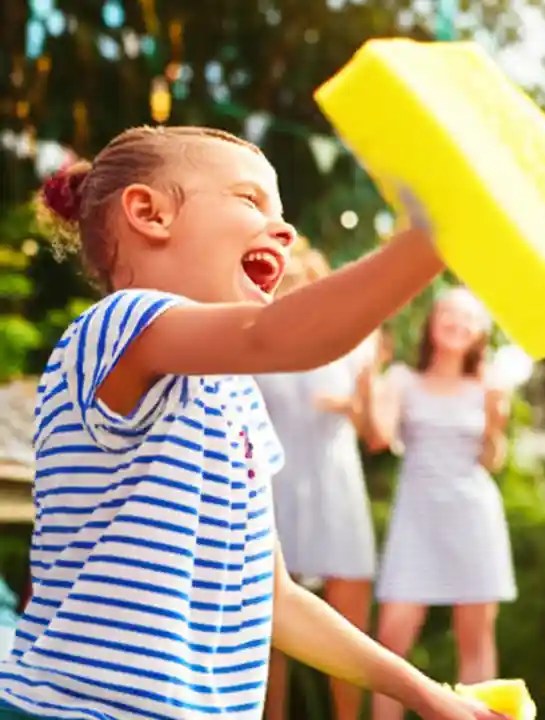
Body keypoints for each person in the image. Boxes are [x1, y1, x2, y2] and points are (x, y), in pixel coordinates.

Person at [1, 126, 503, 720]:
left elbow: (275, 597)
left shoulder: (235, 396)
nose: (285, 231)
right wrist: (434, 238)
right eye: (249, 199)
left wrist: (424, 693)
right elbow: (274, 336)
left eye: (281, 211)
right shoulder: (116, 326)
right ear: (149, 213)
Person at [365, 288, 517, 720]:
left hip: (473, 517)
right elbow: (379, 438)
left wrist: (495, 423)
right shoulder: (401, 380)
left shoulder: (488, 385)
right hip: (417, 518)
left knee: (476, 643)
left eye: (467, 318)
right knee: (391, 643)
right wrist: (365, 382)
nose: (456, 323)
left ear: (480, 333)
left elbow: (491, 460)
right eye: (448, 314)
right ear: (431, 323)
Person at [255, 239, 382, 720]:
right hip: (273, 490)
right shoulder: (254, 339)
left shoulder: (354, 342)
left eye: (300, 282)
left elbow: (376, 435)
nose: (290, 291)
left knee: (349, 635)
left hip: (335, 491)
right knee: (269, 633)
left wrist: (359, 401)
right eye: (281, 283)